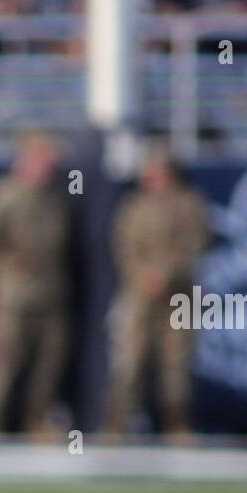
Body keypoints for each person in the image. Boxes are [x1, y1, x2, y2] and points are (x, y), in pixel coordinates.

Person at [0, 129, 71, 436]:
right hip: (11, 295)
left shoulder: (56, 197)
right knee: (2, 363)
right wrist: (2, 275)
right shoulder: (2, 194)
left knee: (48, 364)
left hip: (51, 292)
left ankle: (37, 422)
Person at [102, 142, 209, 438]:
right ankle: (116, 425)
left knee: (175, 365)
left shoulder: (189, 204)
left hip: (179, 297)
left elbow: (194, 247)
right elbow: (123, 249)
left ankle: (176, 425)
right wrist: (143, 277)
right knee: (129, 361)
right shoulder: (134, 207)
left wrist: (165, 274)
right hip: (139, 295)